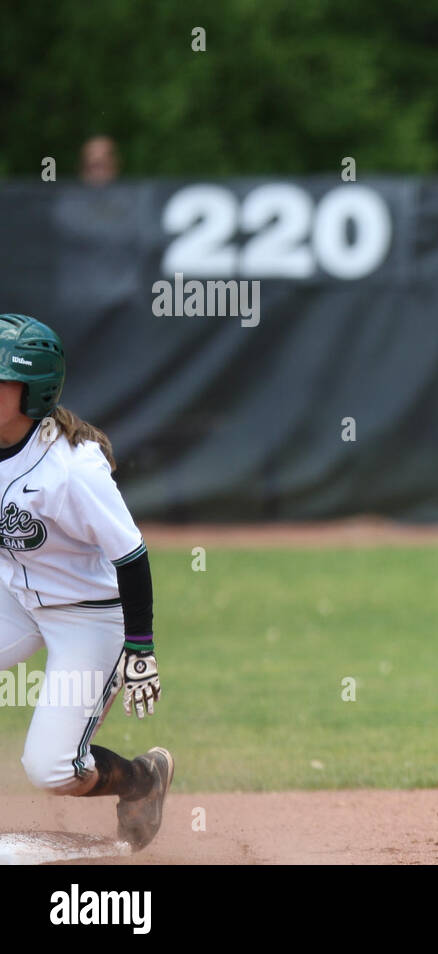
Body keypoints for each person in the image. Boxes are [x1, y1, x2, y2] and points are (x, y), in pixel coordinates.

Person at [0, 314, 174, 850]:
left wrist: (141, 648)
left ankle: (142, 781)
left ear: (31, 391)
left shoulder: (72, 468)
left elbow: (132, 553)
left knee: (52, 769)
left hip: (90, 615)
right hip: (16, 597)